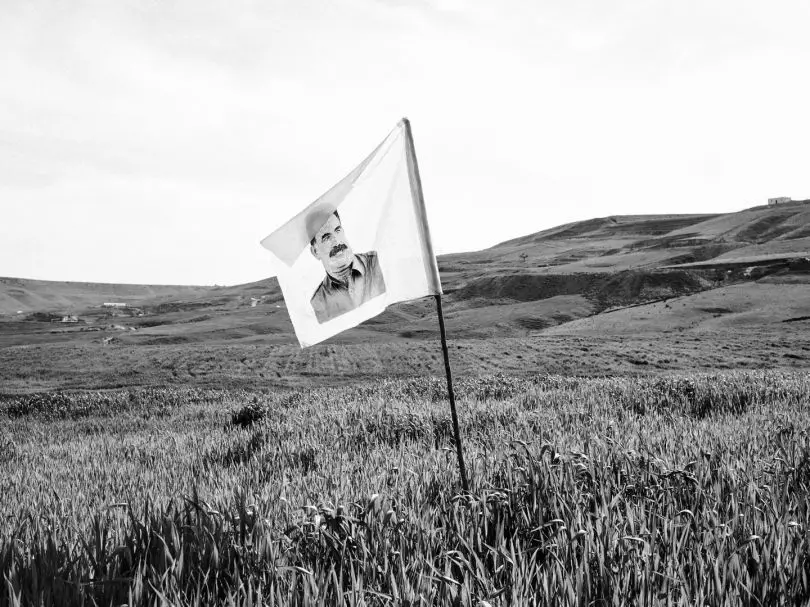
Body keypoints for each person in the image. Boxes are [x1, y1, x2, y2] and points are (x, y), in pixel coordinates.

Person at [308, 209, 386, 323]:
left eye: (338, 230)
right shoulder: (318, 302)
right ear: (315, 252)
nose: (337, 242)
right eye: (326, 237)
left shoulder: (378, 264)